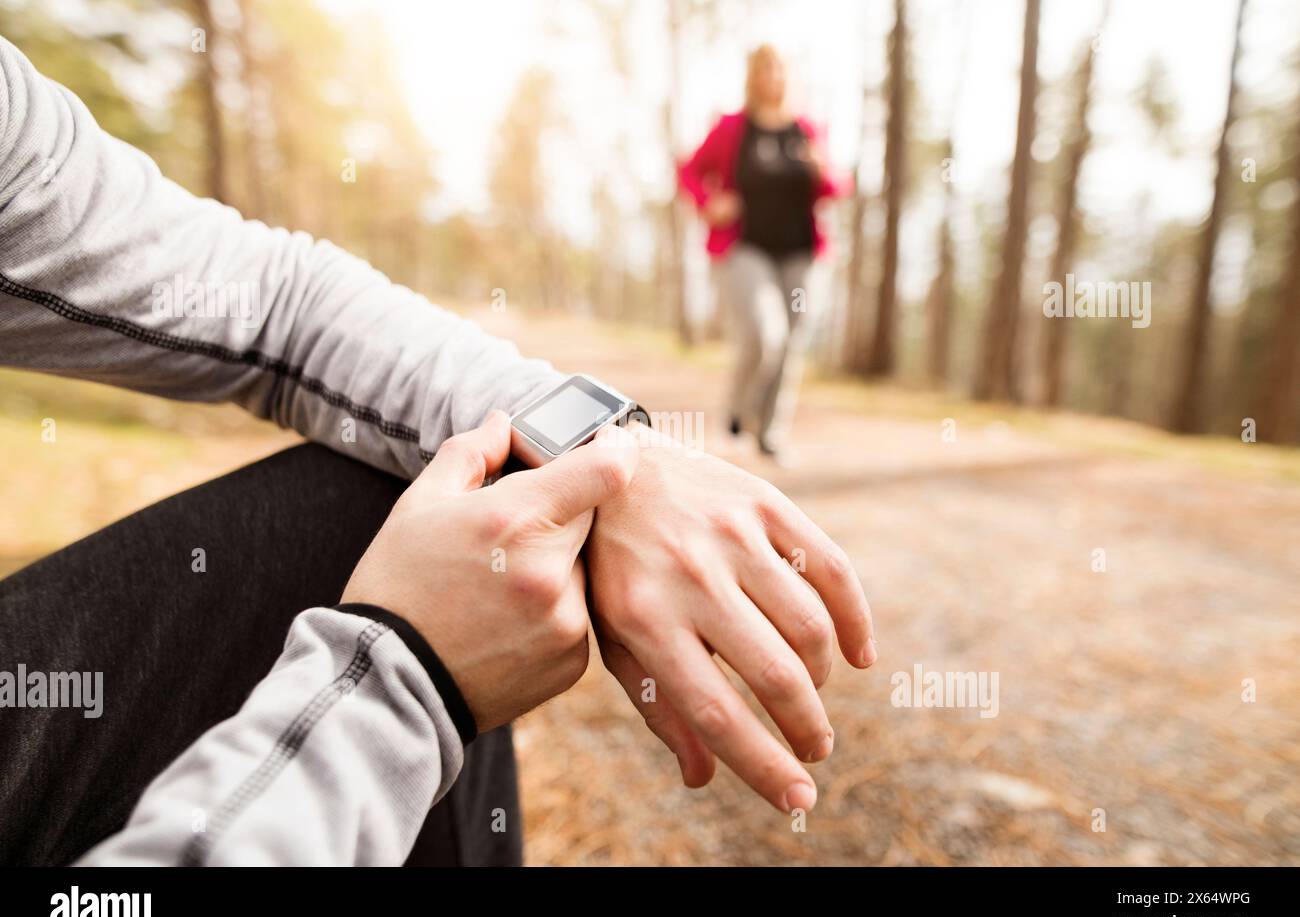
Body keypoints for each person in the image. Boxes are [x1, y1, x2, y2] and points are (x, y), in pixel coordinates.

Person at [0, 35, 875, 866]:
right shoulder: (735, 128)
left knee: (427, 503)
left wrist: (599, 456)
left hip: (796, 251)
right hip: (750, 256)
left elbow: (277, 303)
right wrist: (400, 683)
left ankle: (766, 422)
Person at [679, 44, 848, 463]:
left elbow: (836, 188)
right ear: (752, 75)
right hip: (746, 248)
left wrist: (821, 169)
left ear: (789, 76)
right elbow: (690, 170)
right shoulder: (735, 127)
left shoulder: (807, 129)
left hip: (801, 252)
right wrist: (709, 202)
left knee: (791, 343)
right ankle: (738, 411)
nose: (772, 76)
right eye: (764, 69)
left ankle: (770, 432)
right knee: (764, 333)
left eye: (779, 69)